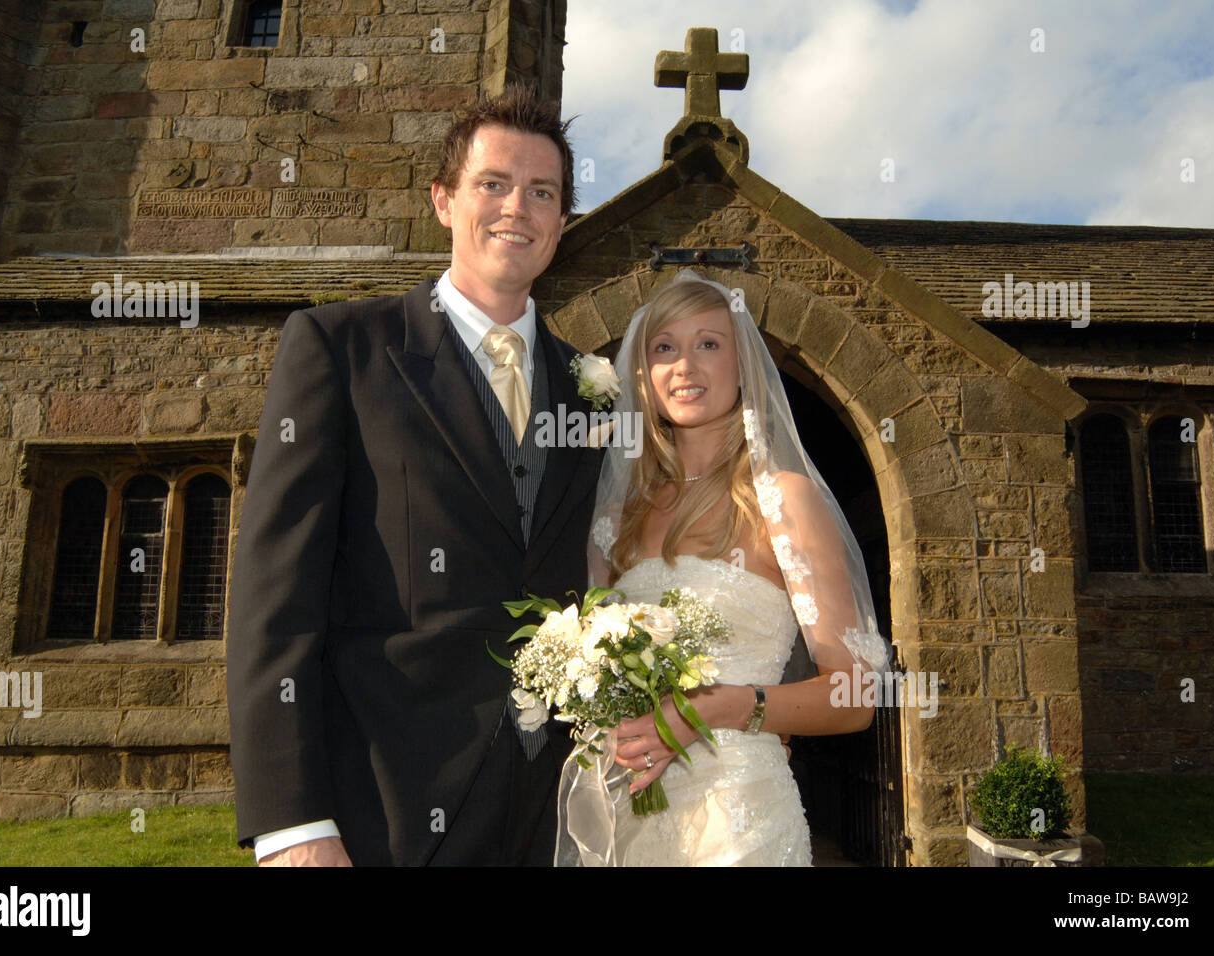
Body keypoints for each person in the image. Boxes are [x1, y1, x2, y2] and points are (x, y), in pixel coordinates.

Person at [227, 85, 602, 866]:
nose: (517, 209)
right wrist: (292, 820)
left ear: (562, 221)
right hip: (383, 805)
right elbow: (275, 596)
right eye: (492, 184)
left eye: (542, 193)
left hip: (557, 811)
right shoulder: (341, 348)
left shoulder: (594, 390)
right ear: (443, 200)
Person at [560, 269, 893, 866]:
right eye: (665, 348)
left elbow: (856, 695)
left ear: (743, 367)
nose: (684, 365)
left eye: (708, 344)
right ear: (643, 374)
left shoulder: (783, 500)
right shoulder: (617, 516)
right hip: (632, 815)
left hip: (740, 818)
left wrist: (717, 708)